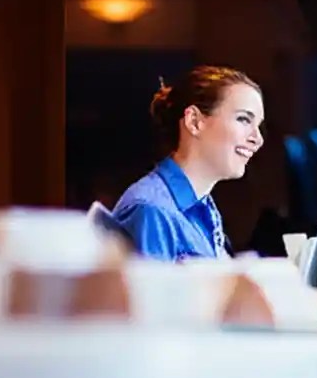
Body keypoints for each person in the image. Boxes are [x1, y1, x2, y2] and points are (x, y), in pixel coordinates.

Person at [113, 65, 265, 262]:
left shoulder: (203, 207)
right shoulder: (151, 210)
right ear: (194, 121)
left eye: (258, 125)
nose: (258, 138)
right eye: (244, 119)